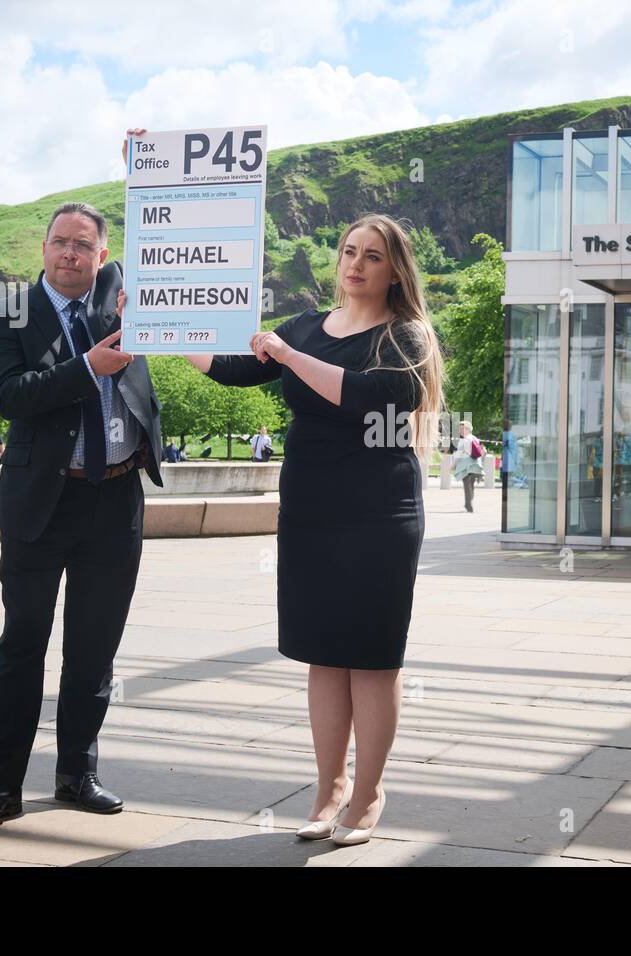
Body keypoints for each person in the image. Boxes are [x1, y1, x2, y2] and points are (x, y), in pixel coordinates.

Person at [125, 209, 443, 845]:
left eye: (372, 256)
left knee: (373, 659)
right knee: (323, 654)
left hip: (380, 511)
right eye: (350, 251)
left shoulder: (406, 336)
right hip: (310, 509)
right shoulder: (305, 326)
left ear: (394, 269)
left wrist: (290, 355)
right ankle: (329, 792)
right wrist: (159, 317)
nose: (356, 264)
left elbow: (366, 395)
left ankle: (369, 796)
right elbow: (233, 367)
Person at [0, 199, 164, 834]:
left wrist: (148, 165)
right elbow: (9, 395)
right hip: (42, 501)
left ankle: (77, 771)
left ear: (102, 256)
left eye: (82, 244)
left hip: (117, 497)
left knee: (94, 649)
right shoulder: (11, 309)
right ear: (42, 249)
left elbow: (166, 246)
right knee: (23, 645)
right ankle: (0, 788)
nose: (68, 253)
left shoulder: (120, 292)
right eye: (58, 242)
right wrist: (86, 368)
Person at [452, 420, 483, 513]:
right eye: (460, 429)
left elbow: (458, 454)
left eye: (463, 428)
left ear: (468, 429)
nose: (461, 431)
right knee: (471, 486)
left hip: (466, 467)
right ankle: (469, 502)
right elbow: (481, 451)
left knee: (467, 486)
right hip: (475, 466)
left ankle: (469, 505)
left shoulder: (463, 440)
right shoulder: (475, 438)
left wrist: (453, 465)